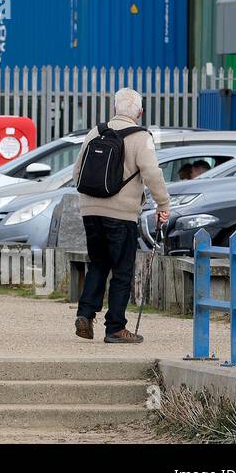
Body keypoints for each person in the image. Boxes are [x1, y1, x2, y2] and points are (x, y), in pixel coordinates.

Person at [72, 88, 171, 345]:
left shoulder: (96, 132)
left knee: (98, 263)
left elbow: (76, 173)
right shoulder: (141, 137)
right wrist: (163, 203)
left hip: (90, 210)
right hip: (122, 214)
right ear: (139, 112)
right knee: (122, 270)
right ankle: (115, 327)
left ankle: (85, 313)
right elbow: (152, 172)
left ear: (115, 108)